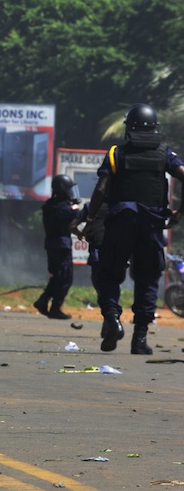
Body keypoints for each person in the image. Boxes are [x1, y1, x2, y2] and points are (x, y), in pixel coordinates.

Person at [83, 104, 184, 354]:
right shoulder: (165, 155)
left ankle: (112, 316)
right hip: (151, 224)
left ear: (129, 128)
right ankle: (139, 340)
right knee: (148, 278)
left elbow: (102, 189)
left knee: (108, 273)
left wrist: (91, 218)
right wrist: (180, 213)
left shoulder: (116, 153)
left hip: (121, 222)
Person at [33, 175, 81, 320]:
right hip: (61, 245)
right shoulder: (62, 208)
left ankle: (43, 301)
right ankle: (54, 307)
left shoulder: (50, 205)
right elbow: (75, 216)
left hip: (53, 245)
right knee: (64, 278)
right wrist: (77, 209)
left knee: (58, 277)